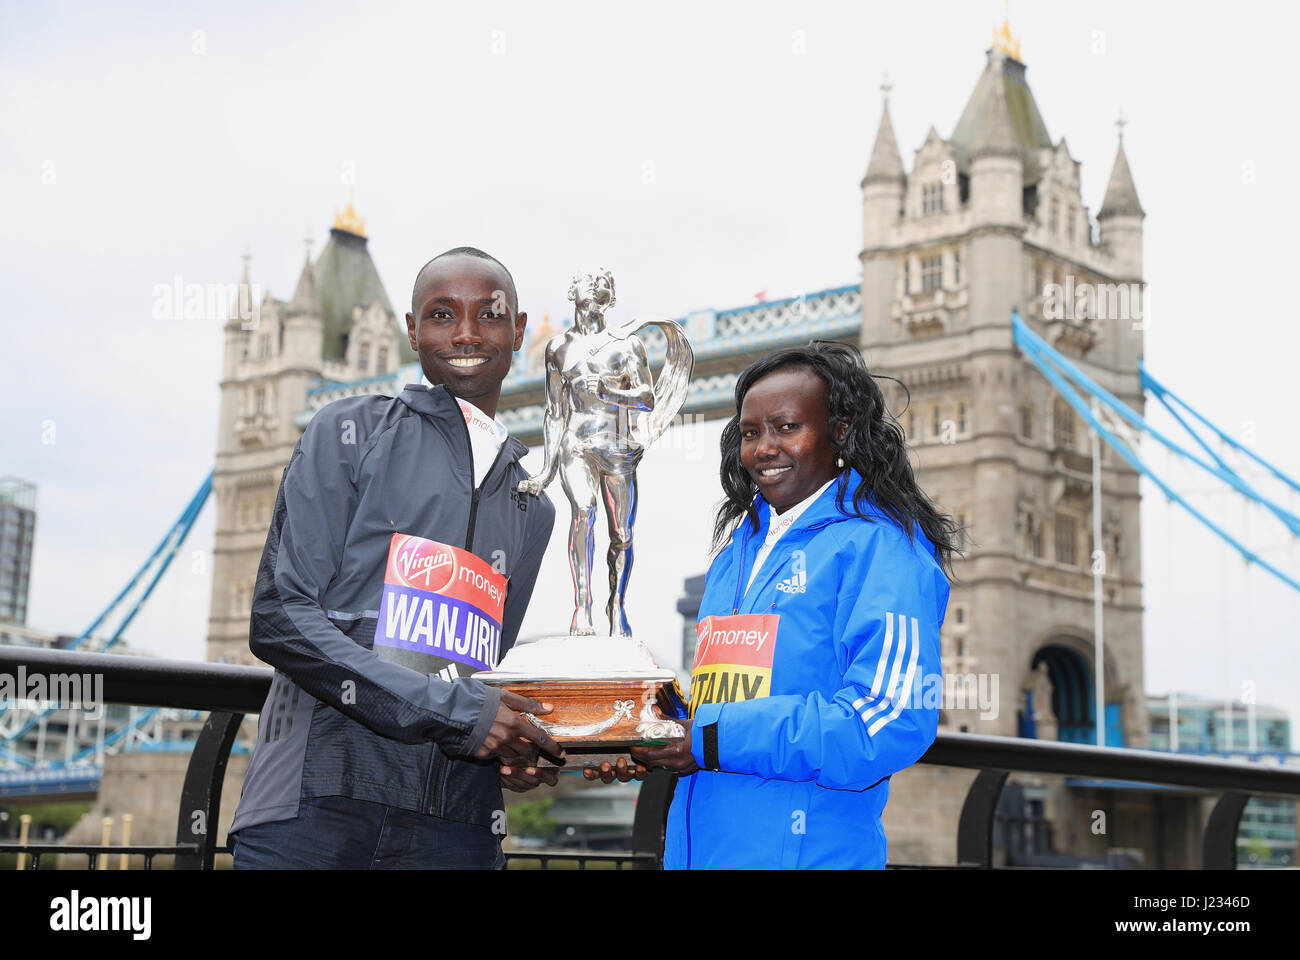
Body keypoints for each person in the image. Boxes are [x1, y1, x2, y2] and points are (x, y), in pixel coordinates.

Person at [229, 247, 565, 870]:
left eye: (488, 315)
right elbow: (279, 616)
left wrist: (511, 742)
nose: (465, 332)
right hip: (315, 807)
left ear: (518, 332)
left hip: (457, 824)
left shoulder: (533, 506)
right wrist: (464, 713)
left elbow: (477, 670)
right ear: (412, 331)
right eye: (441, 314)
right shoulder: (346, 431)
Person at [586, 341, 959, 869]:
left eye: (787, 427)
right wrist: (652, 737)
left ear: (841, 431)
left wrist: (710, 739)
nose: (764, 448)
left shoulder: (882, 548)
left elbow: (889, 720)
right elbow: (729, 704)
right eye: (750, 432)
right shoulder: (735, 554)